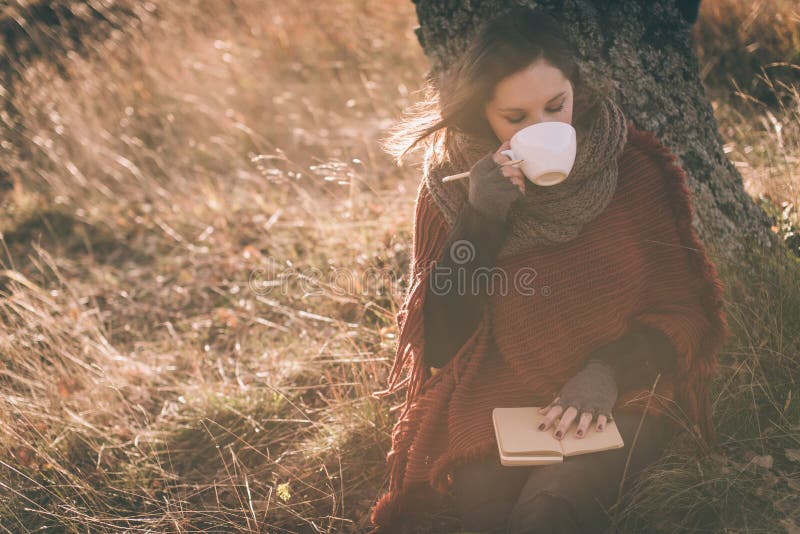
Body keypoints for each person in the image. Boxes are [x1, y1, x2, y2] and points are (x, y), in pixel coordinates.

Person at [369, 6, 730, 533]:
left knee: (547, 513)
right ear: (484, 116)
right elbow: (442, 343)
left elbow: (685, 311)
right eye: (515, 119)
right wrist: (481, 219)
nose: (541, 129)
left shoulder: (632, 167)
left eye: (555, 106)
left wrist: (606, 372)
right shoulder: (454, 188)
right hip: (499, 401)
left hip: (620, 396)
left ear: (575, 93)